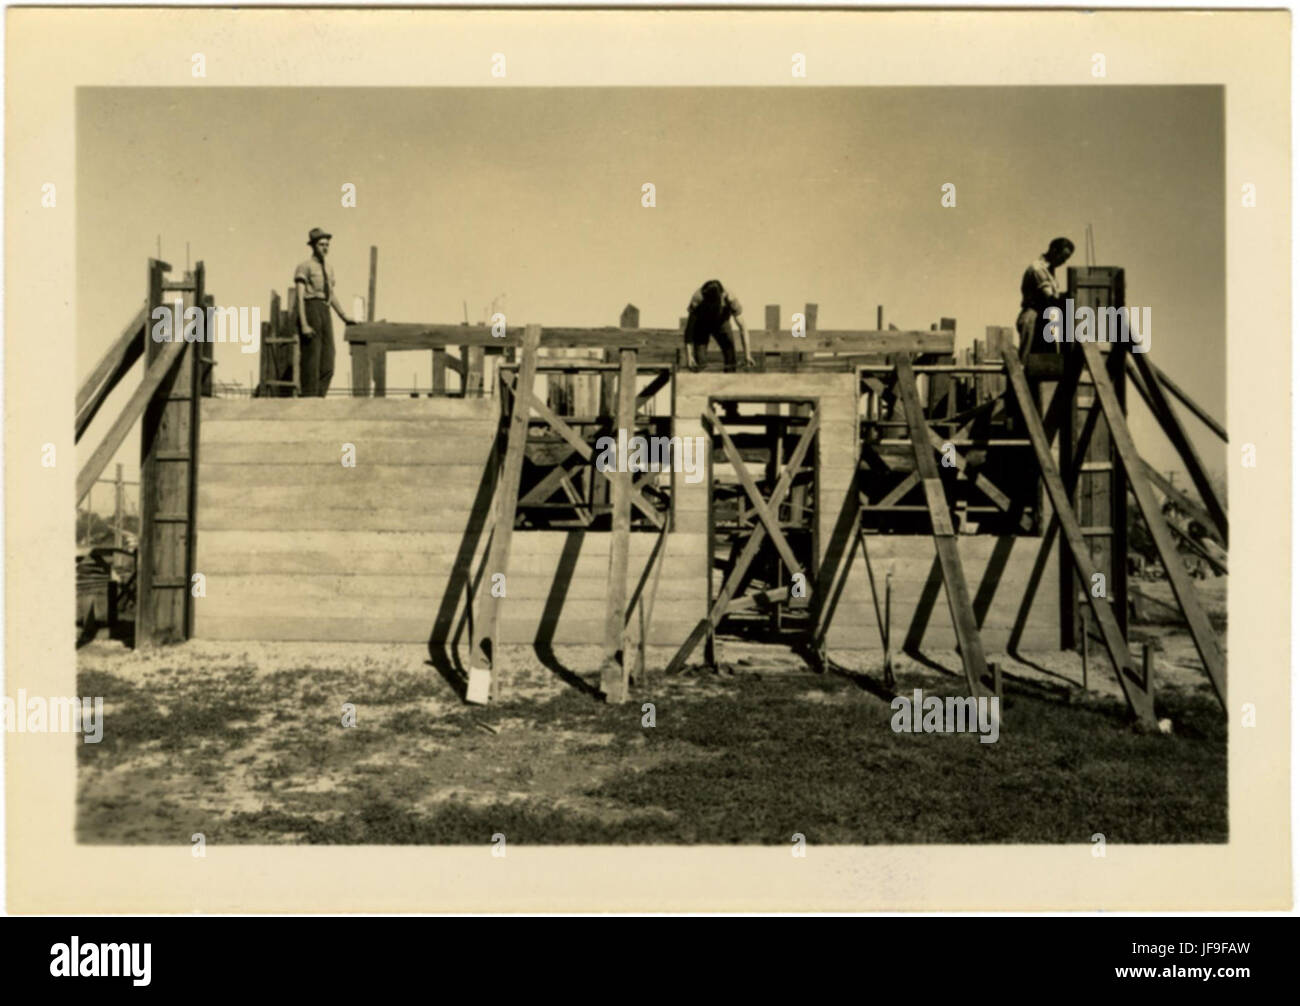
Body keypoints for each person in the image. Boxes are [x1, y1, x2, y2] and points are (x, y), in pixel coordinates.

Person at [294, 227, 357, 396]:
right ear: (313, 246)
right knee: (312, 358)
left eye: (327, 245)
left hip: (325, 310)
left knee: (329, 360)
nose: (325, 248)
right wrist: (305, 324)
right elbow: (299, 298)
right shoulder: (304, 266)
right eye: (321, 244)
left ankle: (319, 398)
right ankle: (309, 397)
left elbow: (331, 294)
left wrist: (344, 316)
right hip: (310, 308)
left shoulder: (329, 268)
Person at [1017, 237, 1074, 361]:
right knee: (1026, 362)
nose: (1063, 262)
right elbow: (1050, 298)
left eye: (1066, 259)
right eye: (1063, 257)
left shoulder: (1050, 271)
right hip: (1033, 316)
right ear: (1054, 251)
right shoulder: (1038, 268)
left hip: (1046, 317)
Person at [684, 279, 753, 372]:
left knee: (730, 356)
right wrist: (689, 356)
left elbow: (743, 327)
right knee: (699, 363)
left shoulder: (730, 297)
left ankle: (730, 381)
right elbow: (689, 330)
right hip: (702, 324)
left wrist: (747, 355)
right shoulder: (697, 298)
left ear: (722, 295)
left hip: (722, 322)